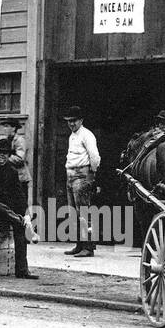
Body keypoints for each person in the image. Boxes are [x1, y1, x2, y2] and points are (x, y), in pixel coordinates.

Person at [0, 136, 38, 279]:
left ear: (8, 155)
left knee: (19, 228)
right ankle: (22, 222)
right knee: (0, 207)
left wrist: (26, 213)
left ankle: (22, 270)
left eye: (5, 153)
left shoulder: (12, 171)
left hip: (8, 209)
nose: (1, 155)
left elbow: (18, 194)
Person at [63, 106, 100, 257]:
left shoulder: (87, 135)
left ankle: (88, 247)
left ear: (81, 120)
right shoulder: (72, 136)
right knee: (74, 213)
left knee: (84, 212)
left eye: (74, 120)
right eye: (69, 121)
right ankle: (79, 245)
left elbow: (94, 157)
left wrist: (91, 174)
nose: (71, 124)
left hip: (82, 175)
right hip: (70, 175)